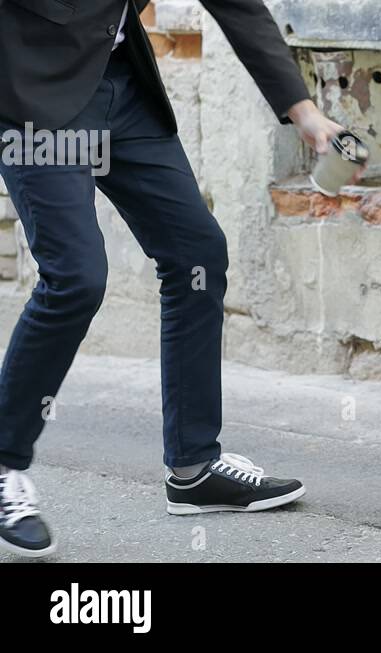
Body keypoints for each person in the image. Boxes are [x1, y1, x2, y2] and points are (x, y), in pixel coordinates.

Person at [0, 0, 350, 558]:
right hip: (34, 98)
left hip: (122, 88)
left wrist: (303, 111)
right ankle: (5, 462)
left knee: (197, 256)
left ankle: (194, 466)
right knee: (77, 277)